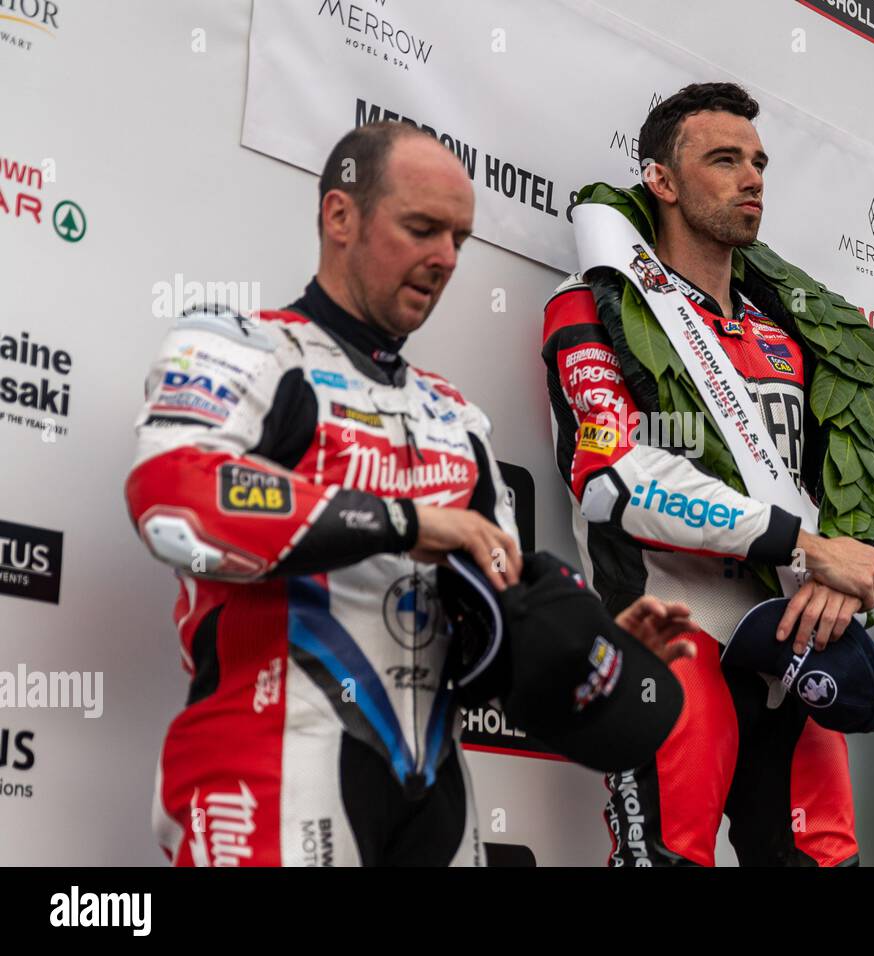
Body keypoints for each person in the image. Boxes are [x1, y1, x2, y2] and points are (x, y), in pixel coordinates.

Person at [125, 122, 694, 867]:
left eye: (458, 238)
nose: (443, 259)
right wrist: (404, 521)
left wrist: (585, 650)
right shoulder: (244, 351)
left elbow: (489, 635)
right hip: (268, 764)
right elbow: (177, 504)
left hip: (435, 791)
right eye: (421, 229)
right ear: (340, 217)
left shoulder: (455, 419)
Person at [541, 82, 874, 866]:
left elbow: (856, 498)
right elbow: (613, 476)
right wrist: (805, 546)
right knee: (671, 855)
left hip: (793, 645)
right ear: (660, 180)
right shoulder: (590, 304)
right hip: (673, 635)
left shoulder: (793, 340)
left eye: (759, 162)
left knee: (828, 860)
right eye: (724, 159)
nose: (752, 178)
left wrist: (842, 566)